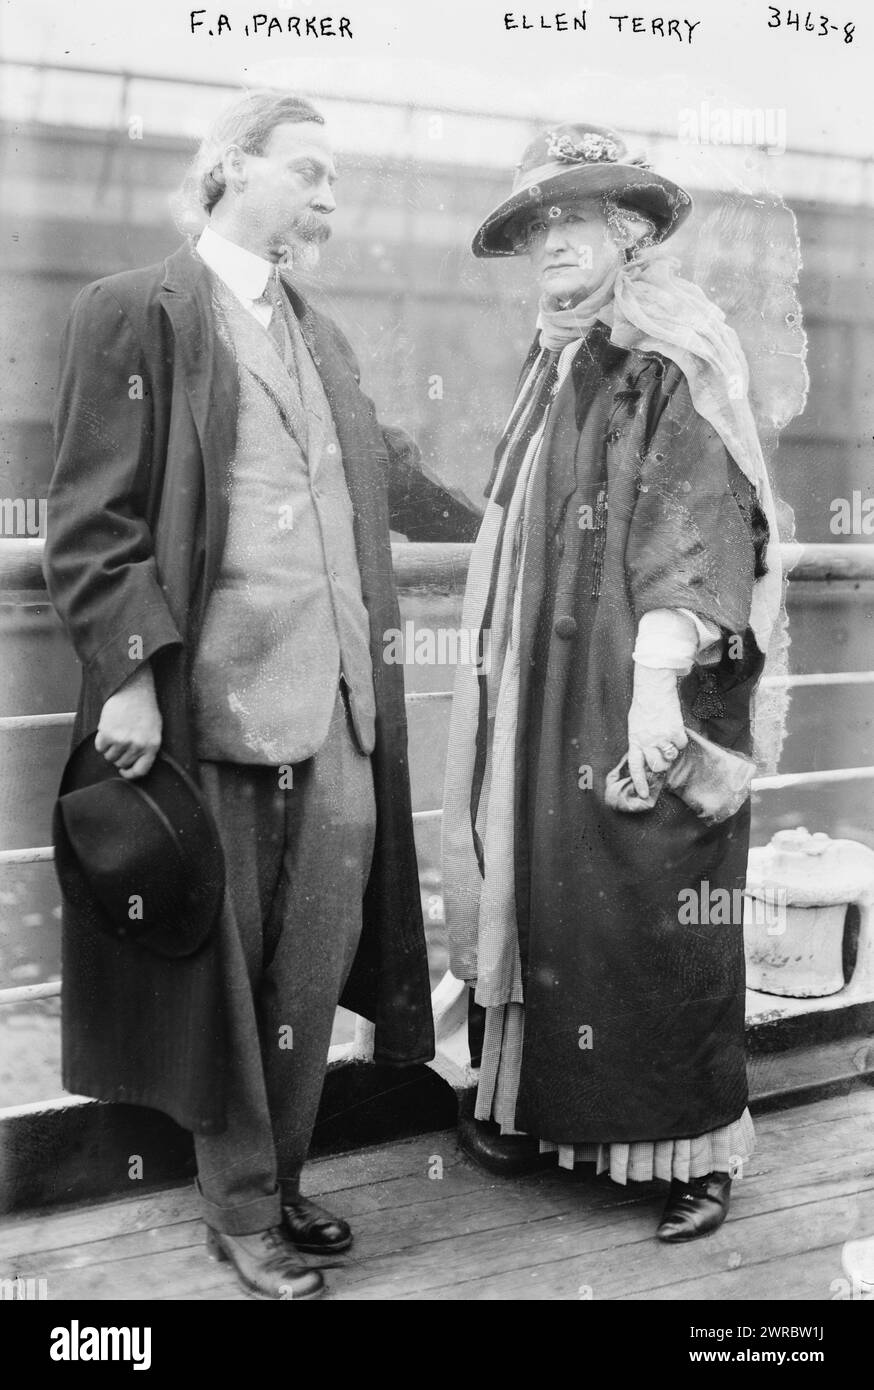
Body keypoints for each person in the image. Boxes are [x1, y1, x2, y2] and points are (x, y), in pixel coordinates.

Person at [45, 88, 479, 1300]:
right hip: (212, 713)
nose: (333, 195)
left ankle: (279, 1178)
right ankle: (240, 1212)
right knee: (224, 971)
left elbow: (391, 480)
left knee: (309, 961)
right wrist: (128, 678)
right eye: (313, 170)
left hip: (339, 709)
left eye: (339, 178)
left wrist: (515, 532)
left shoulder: (320, 335)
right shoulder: (134, 312)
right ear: (234, 170)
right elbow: (90, 526)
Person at [443, 123, 783, 1242]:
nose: (546, 238)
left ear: (629, 229)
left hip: (647, 679)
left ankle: (688, 1147)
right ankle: (555, 1114)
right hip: (554, 683)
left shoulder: (670, 353)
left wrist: (652, 687)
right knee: (560, 895)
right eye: (533, 220)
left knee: (652, 900)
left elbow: (696, 523)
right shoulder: (563, 357)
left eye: (567, 216)